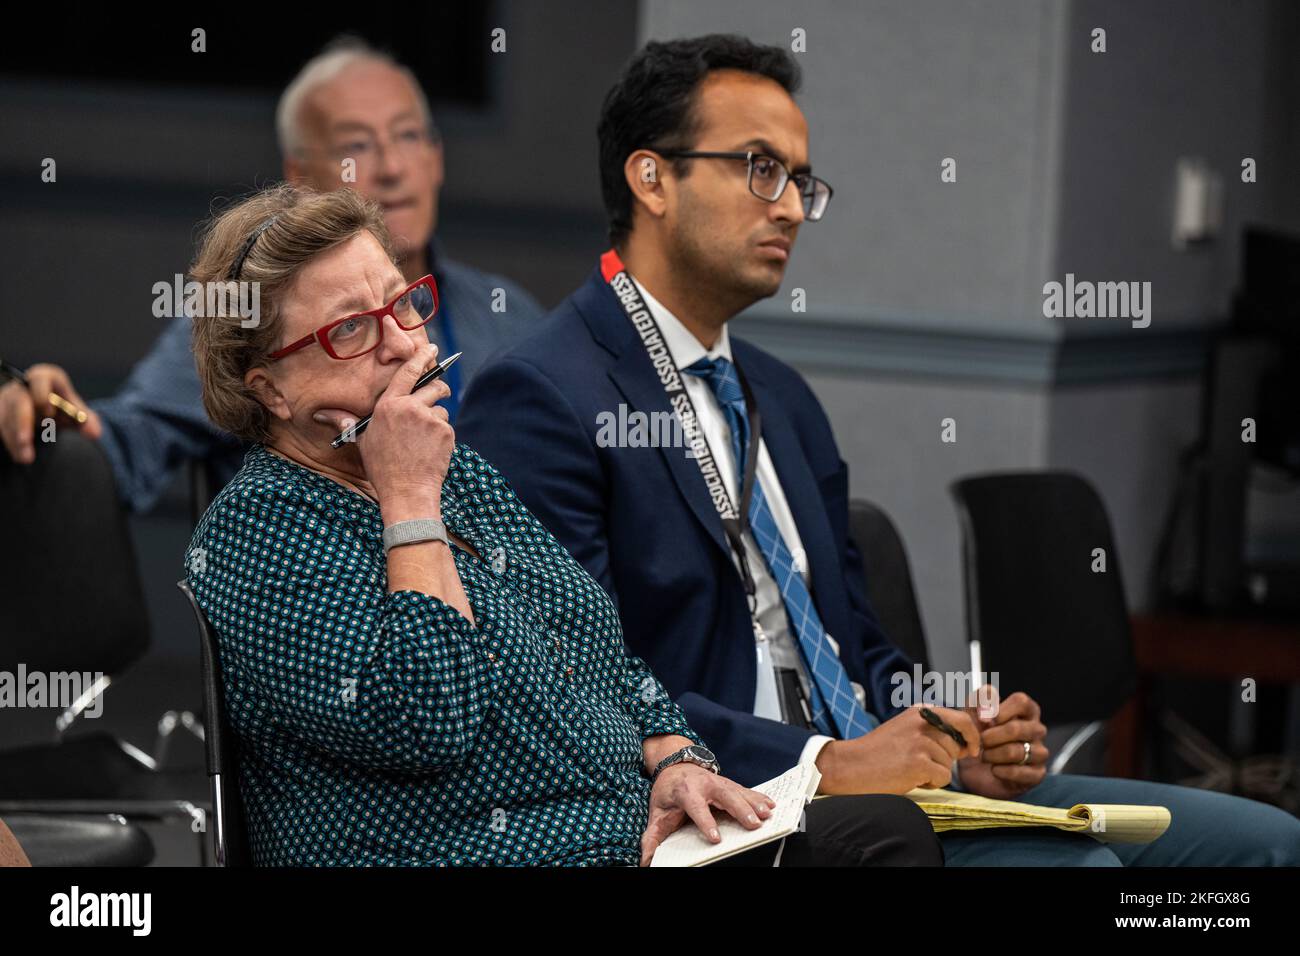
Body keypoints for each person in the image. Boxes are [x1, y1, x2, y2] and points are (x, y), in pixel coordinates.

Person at [456, 33, 1300, 866]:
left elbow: (857, 643)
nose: (788, 206)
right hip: (743, 805)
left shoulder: (782, 399)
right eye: (759, 168)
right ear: (652, 179)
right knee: (1078, 870)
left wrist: (952, 735)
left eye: (799, 180)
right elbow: (570, 678)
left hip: (893, 784)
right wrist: (826, 763)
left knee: (1265, 844)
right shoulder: (544, 392)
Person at [182, 182, 942, 866]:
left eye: (402, 304)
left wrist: (676, 758)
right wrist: (407, 499)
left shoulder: (460, 474)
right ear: (271, 390)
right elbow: (424, 721)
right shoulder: (257, 532)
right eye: (350, 331)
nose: (402, 343)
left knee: (886, 830)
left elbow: (601, 653)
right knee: (877, 845)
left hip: (634, 840)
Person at [0, 36, 541, 514]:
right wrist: (51, 417)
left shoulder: (507, 312)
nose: (392, 167)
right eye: (357, 145)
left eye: (407, 136)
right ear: (300, 177)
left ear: (436, 157)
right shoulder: (248, 311)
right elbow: (124, 444)